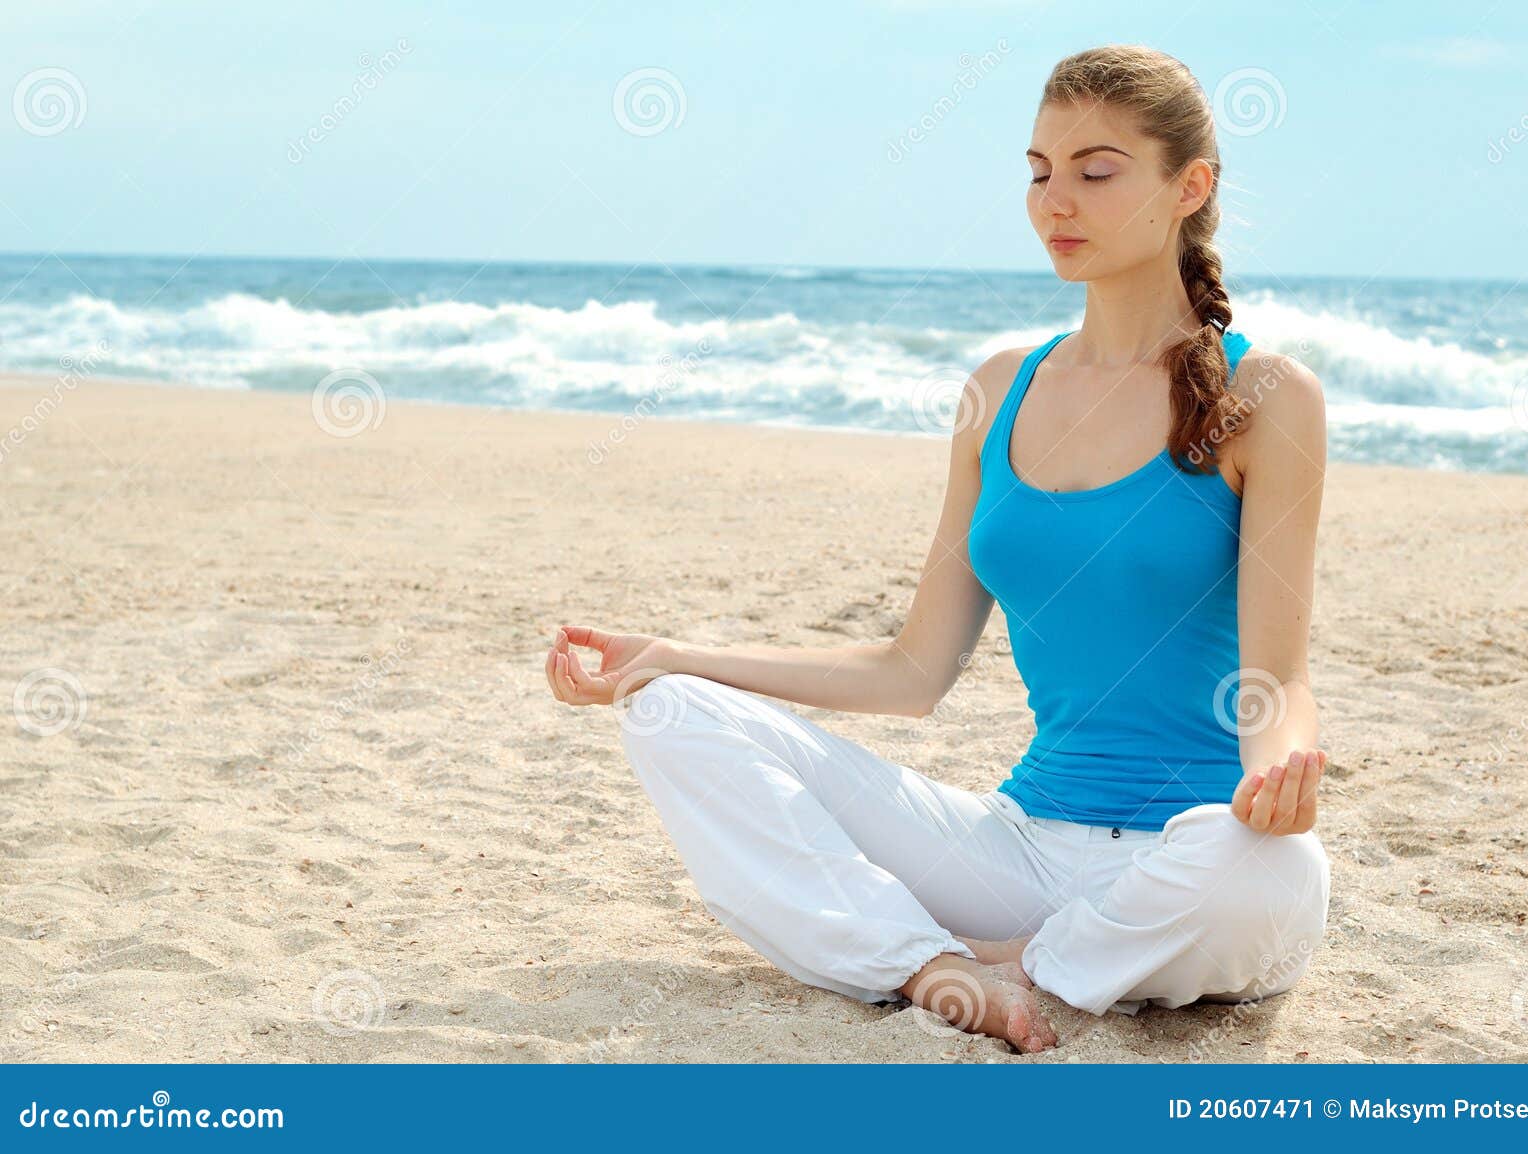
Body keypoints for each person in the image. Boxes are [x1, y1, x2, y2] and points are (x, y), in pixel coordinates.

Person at [544, 44, 1331, 1055]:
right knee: (669, 710)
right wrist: (674, 656)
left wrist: (1280, 770)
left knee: (1270, 866)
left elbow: (1278, 681)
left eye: (1095, 171)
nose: (1055, 201)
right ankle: (933, 965)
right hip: (1020, 849)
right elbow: (913, 669)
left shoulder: (1268, 395)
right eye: (1039, 171)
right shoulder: (997, 389)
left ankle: (1018, 962)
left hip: (1194, 858)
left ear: (1190, 187)